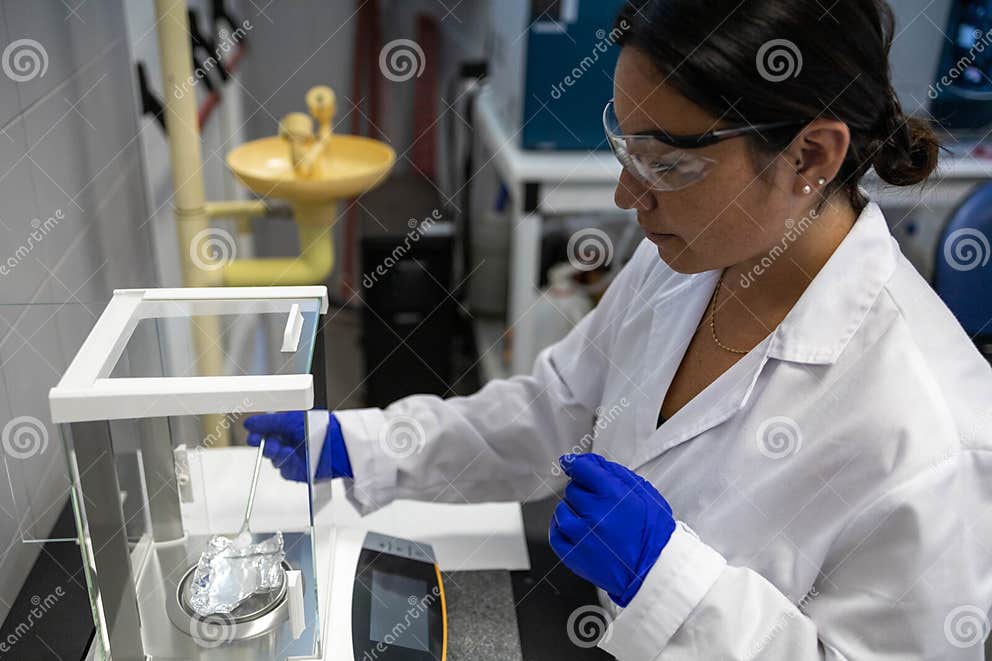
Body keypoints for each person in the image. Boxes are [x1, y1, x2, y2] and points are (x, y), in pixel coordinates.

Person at [245, 0, 992, 658]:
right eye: (627, 144)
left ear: (810, 155)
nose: (628, 192)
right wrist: (363, 444)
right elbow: (554, 411)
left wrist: (668, 579)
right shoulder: (692, 259)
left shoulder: (935, 436)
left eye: (666, 162)